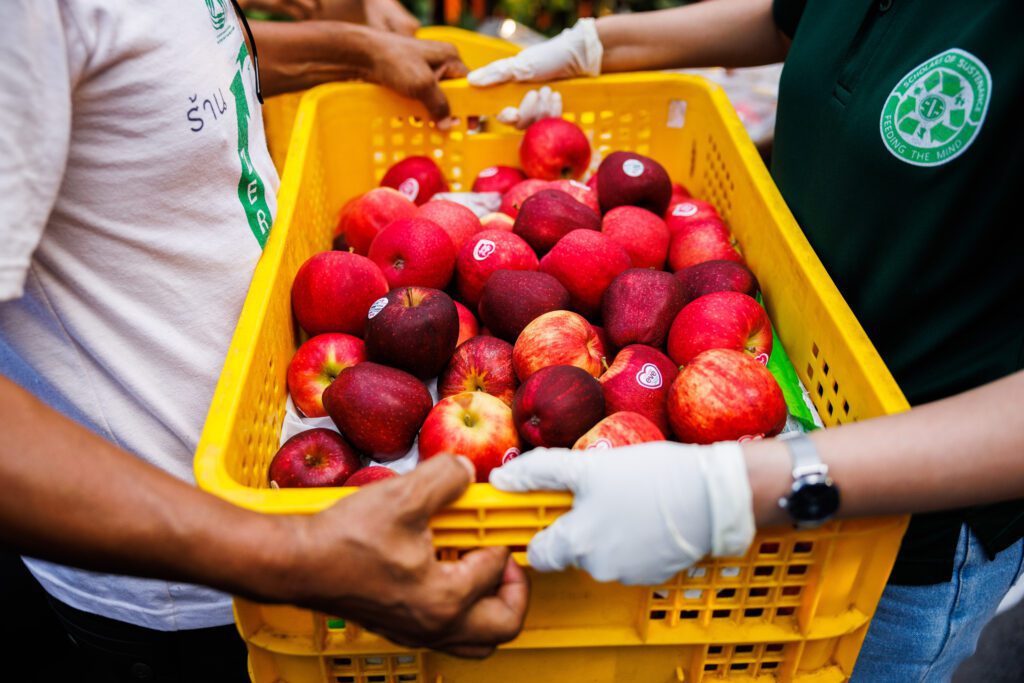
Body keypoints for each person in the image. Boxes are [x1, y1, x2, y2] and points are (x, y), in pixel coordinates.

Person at [469, 0, 1024, 679]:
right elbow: (793, 17)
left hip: (902, 527)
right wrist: (594, 44)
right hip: (770, 366)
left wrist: (734, 489)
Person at [0, 2, 524, 680]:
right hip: (186, 580)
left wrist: (352, 48)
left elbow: (169, 72)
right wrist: (293, 548)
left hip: (283, 488)